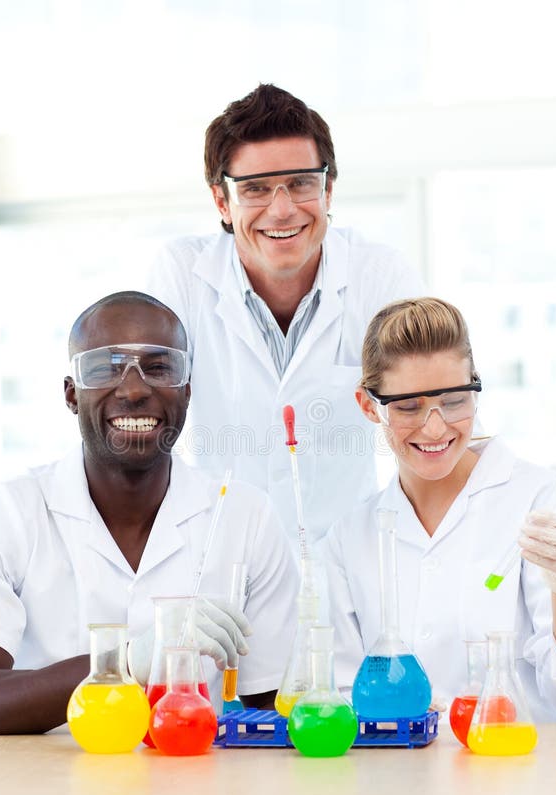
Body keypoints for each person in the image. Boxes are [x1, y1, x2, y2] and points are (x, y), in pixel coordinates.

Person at [0, 291, 299, 757]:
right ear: (72, 395)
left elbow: (272, 725)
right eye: (105, 367)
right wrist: (122, 665)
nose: (134, 389)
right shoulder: (0, 516)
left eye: (159, 367)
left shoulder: (245, 519)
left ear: (188, 391)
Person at [144, 83, 423, 545]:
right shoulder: (183, 275)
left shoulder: (379, 276)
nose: (282, 210)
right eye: (254, 189)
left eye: (300, 183)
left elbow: (435, 412)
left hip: (348, 565)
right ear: (221, 202)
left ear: (328, 189)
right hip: (222, 560)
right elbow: (141, 418)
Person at [319, 297, 556, 721]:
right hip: (396, 783)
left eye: (455, 400)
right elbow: (346, 696)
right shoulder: (350, 539)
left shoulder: (542, 501)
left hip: (523, 776)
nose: (435, 427)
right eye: (408, 407)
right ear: (369, 406)